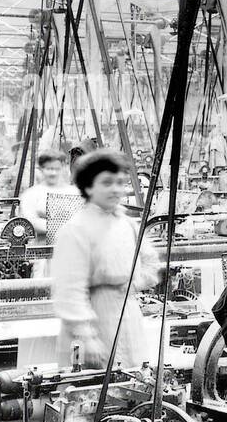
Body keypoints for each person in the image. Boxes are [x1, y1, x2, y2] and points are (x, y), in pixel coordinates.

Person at [52, 150, 161, 370]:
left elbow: (151, 264)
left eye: (120, 182)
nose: (116, 189)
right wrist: (87, 338)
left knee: (134, 383)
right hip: (93, 322)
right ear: (89, 187)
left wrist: (132, 284)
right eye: (107, 182)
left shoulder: (128, 224)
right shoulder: (75, 230)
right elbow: (69, 292)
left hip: (128, 315)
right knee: (93, 391)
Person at [17, 149, 73, 234]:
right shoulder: (31, 194)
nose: (53, 173)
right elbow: (31, 221)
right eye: (49, 169)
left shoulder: (73, 192)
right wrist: (64, 227)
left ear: (63, 168)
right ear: (41, 169)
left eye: (57, 169)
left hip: (72, 244)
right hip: (43, 245)